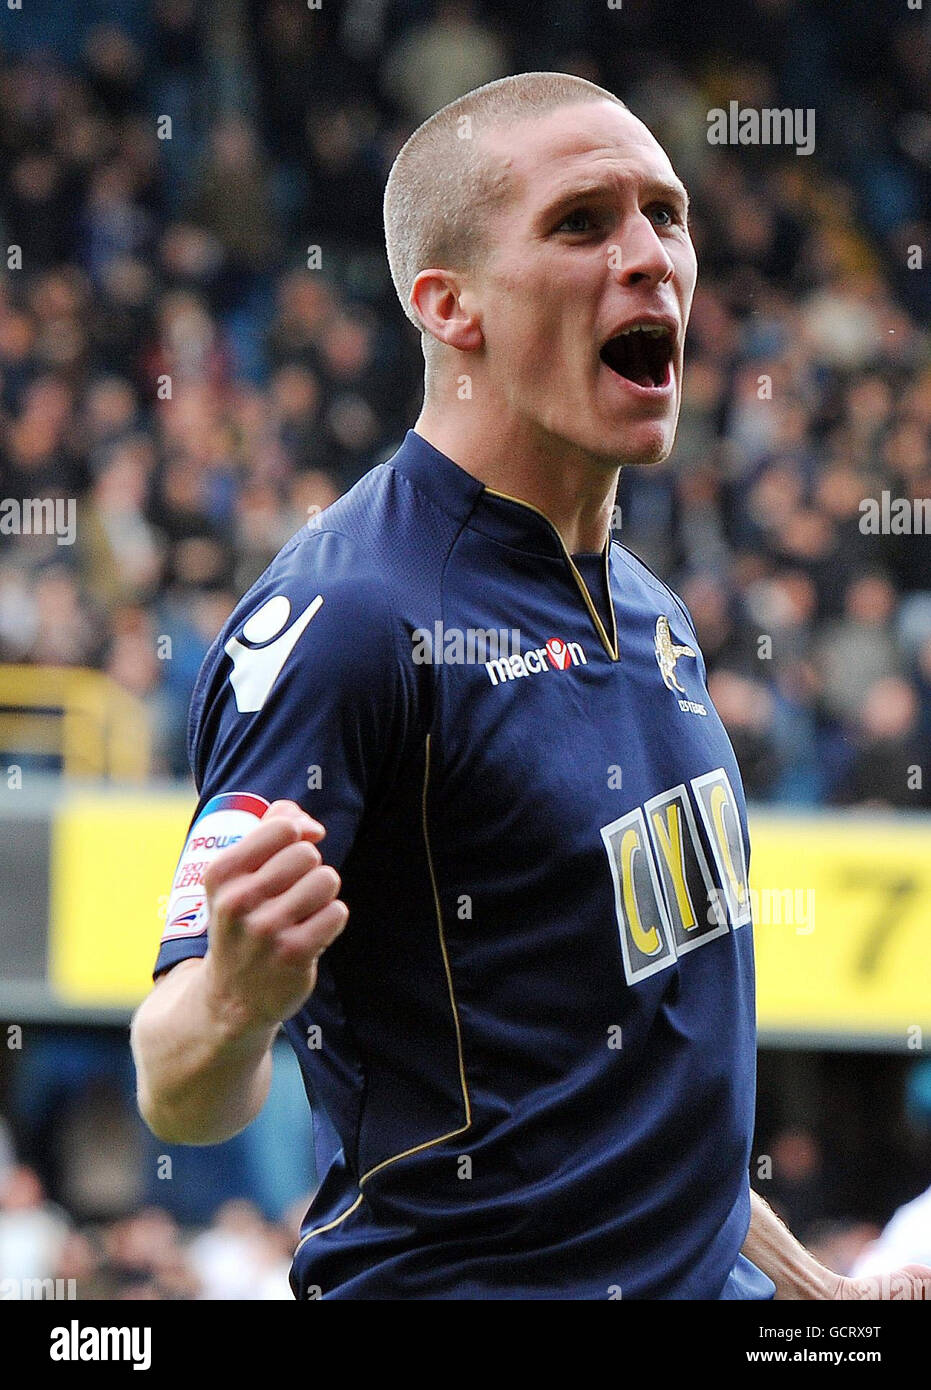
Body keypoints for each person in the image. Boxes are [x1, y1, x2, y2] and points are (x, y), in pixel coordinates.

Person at [131, 72, 931, 1301]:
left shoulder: (657, 616)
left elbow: (639, 1111)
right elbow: (174, 1080)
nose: (650, 257)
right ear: (447, 306)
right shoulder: (350, 617)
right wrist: (238, 1000)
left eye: (665, 216)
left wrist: (816, 1298)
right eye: (581, 222)